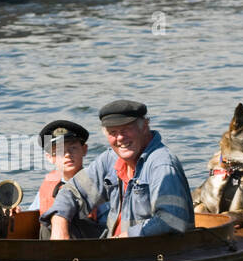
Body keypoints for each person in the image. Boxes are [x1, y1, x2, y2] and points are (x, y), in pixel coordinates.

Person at [43, 100, 194, 240]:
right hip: (115, 247)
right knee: (51, 223)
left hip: (154, 253)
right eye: (113, 133)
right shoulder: (109, 159)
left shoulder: (162, 165)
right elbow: (72, 191)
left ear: (145, 126)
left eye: (127, 129)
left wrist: (128, 236)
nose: (120, 138)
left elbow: (172, 219)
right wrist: (59, 224)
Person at [29, 120, 102, 239]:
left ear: (84, 149)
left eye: (73, 148)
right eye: (59, 151)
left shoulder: (97, 182)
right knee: (46, 224)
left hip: (91, 244)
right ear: (50, 157)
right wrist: (14, 212)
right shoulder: (49, 184)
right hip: (51, 245)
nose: (67, 154)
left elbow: (110, 222)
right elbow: (31, 213)